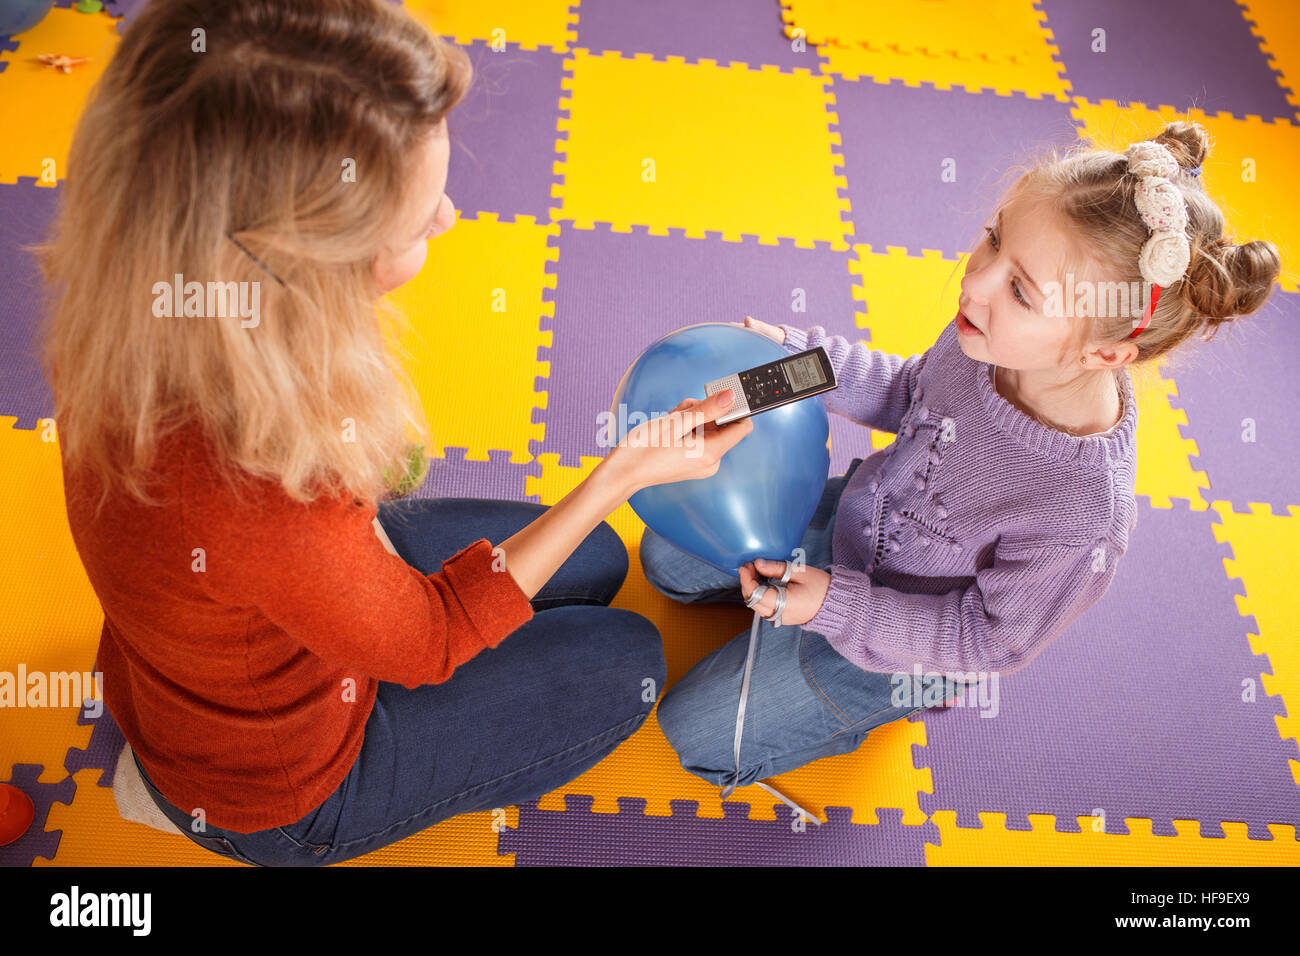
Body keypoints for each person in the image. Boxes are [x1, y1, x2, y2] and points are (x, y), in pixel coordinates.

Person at [38, 0, 752, 866]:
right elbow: (428, 640)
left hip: (246, 629)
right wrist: (619, 474)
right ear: (313, 269)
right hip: (282, 786)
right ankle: (190, 806)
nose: (449, 218)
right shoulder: (253, 487)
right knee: (626, 659)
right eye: (420, 219)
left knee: (593, 557)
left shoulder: (139, 312)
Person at [643, 122, 1281, 796]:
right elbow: (906, 390)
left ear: (1105, 353)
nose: (976, 283)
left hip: (903, 641)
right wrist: (789, 370)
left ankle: (903, 697)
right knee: (665, 561)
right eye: (995, 239)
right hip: (857, 522)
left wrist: (836, 607)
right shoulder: (989, 336)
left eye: (1021, 291)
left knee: (695, 733)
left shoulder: (1082, 514)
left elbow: (990, 639)